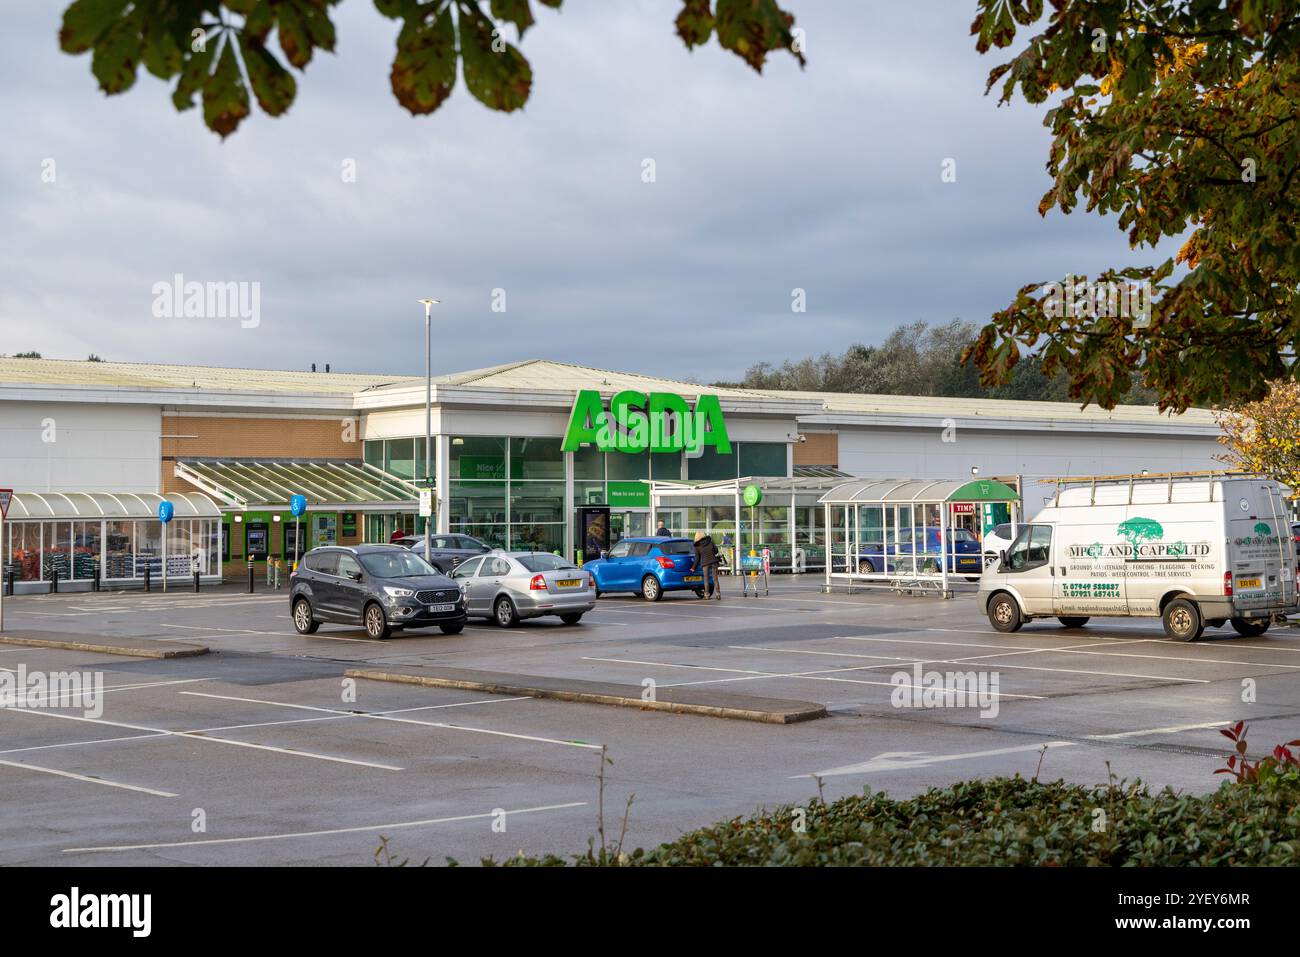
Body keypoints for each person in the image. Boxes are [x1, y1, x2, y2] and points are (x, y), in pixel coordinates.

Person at [693, 531, 722, 600]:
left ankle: (706, 595)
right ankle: (718, 594)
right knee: (715, 579)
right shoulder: (710, 541)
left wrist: (693, 567)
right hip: (713, 562)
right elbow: (716, 551)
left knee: (706, 579)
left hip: (705, 563)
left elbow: (697, 558)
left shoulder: (697, 545)